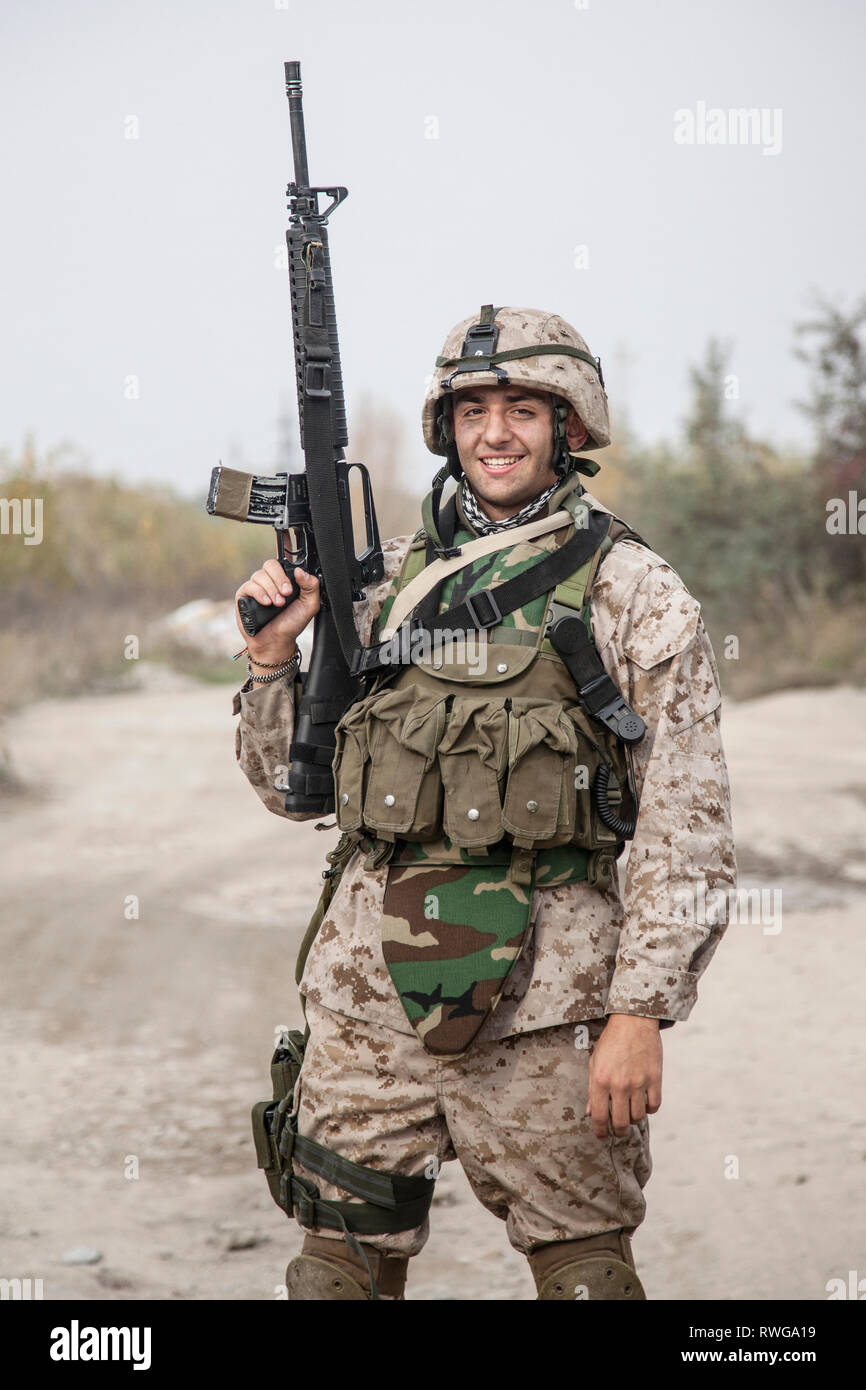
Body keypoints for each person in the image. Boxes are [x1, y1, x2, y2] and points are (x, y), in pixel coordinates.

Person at [232, 306, 736, 1300]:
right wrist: (271, 655)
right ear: (445, 426)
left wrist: (639, 1012)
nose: (494, 433)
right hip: (366, 1003)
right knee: (334, 1273)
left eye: (521, 409)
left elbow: (686, 831)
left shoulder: (634, 593)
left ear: (569, 427)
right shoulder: (375, 589)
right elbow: (291, 792)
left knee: (582, 1271)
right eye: (471, 410)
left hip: (549, 1009)